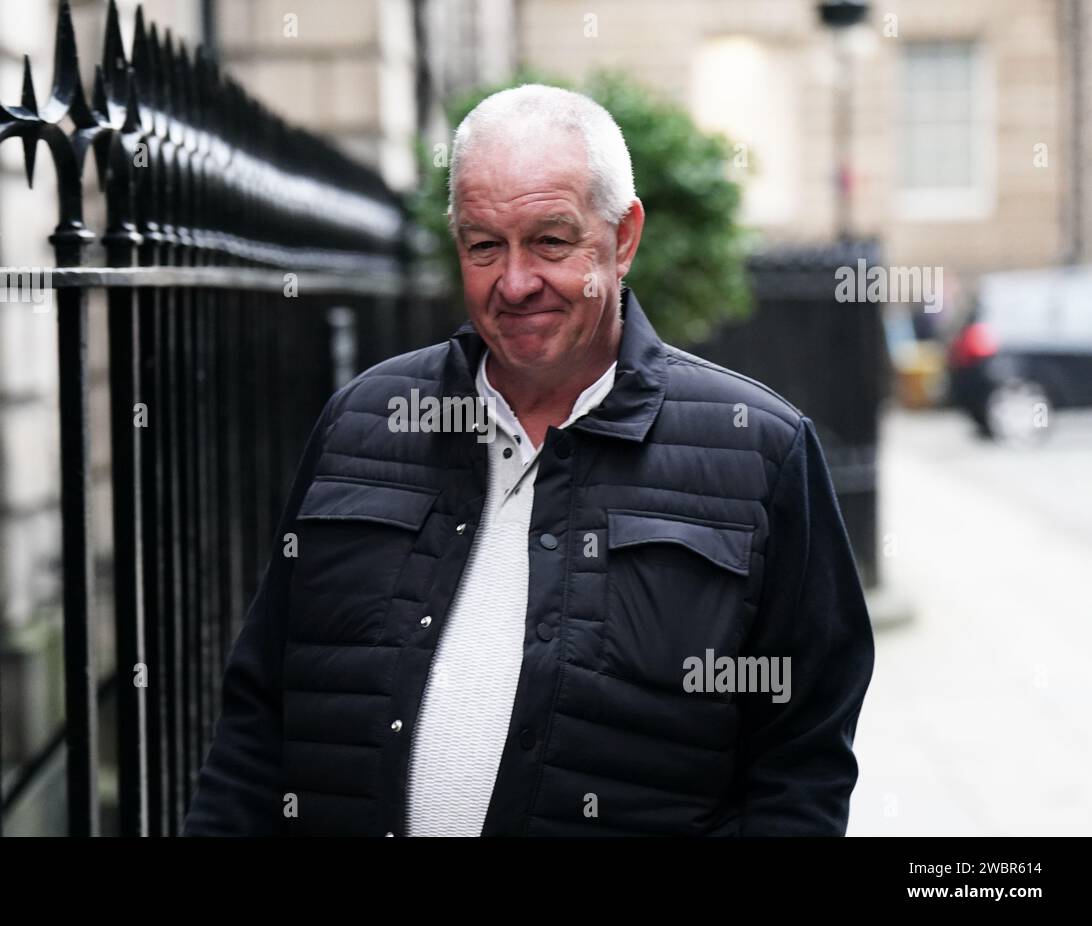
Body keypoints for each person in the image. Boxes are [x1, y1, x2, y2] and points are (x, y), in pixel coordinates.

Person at [182, 84, 875, 836]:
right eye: (484, 245)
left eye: (550, 241)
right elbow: (257, 723)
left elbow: (800, 768)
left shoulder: (762, 453)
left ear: (624, 237)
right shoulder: (361, 422)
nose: (515, 283)